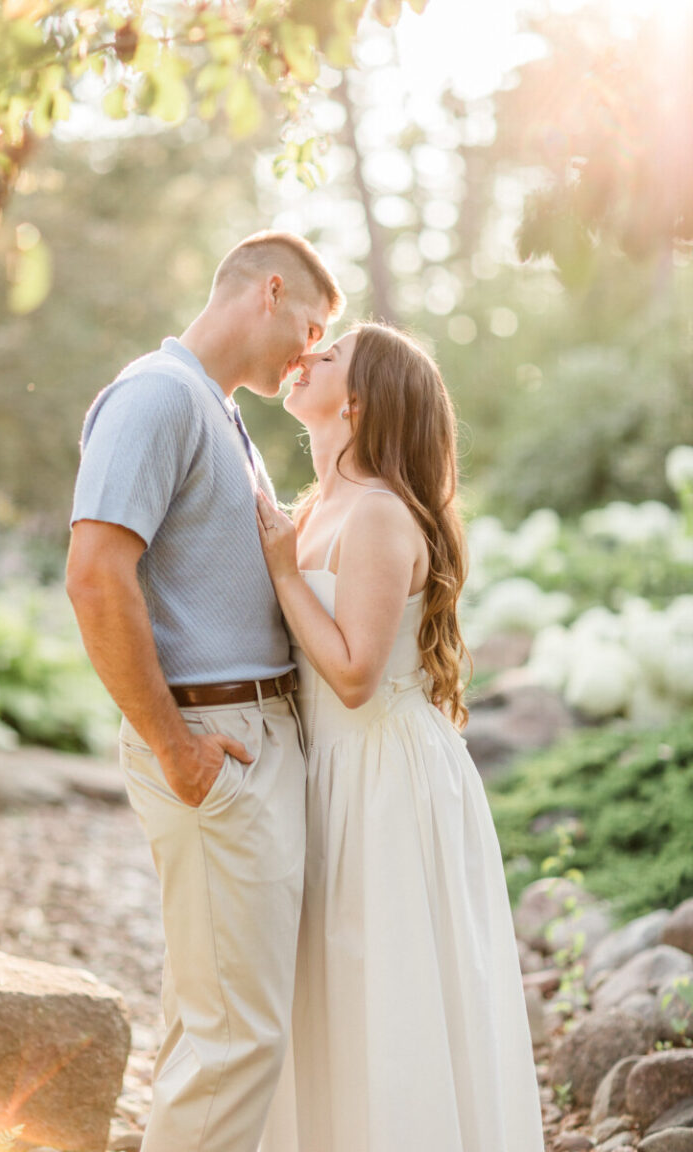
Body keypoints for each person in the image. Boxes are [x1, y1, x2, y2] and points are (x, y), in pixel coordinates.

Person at [66, 231, 345, 1152]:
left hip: (242, 735)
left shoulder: (217, 412)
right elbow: (97, 576)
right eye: (310, 324)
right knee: (236, 1043)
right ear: (270, 291)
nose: (311, 350)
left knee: (212, 1025)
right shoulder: (158, 394)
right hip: (213, 739)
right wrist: (177, 750)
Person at [255, 322, 546, 1152]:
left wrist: (280, 570)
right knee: (331, 993)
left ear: (358, 399)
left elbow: (352, 672)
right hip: (330, 767)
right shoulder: (315, 506)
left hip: (382, 777)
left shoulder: (378, 512)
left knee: (385, 992)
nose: (306, 355)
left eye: (331, 353)